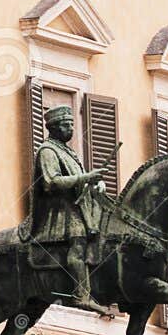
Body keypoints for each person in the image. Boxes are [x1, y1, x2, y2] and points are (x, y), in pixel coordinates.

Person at [30, 105, 114, 316]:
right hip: (59, 210)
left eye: (71, 124)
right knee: (78, 241)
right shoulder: (47, 151)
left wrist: (96, 184)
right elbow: (51, 182)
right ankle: (81, 295)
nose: (71, 129)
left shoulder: (68, 152)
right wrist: (86, 177)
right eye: (66, 125)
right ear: (54, 128)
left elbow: (81, 181)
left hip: (79, 207)